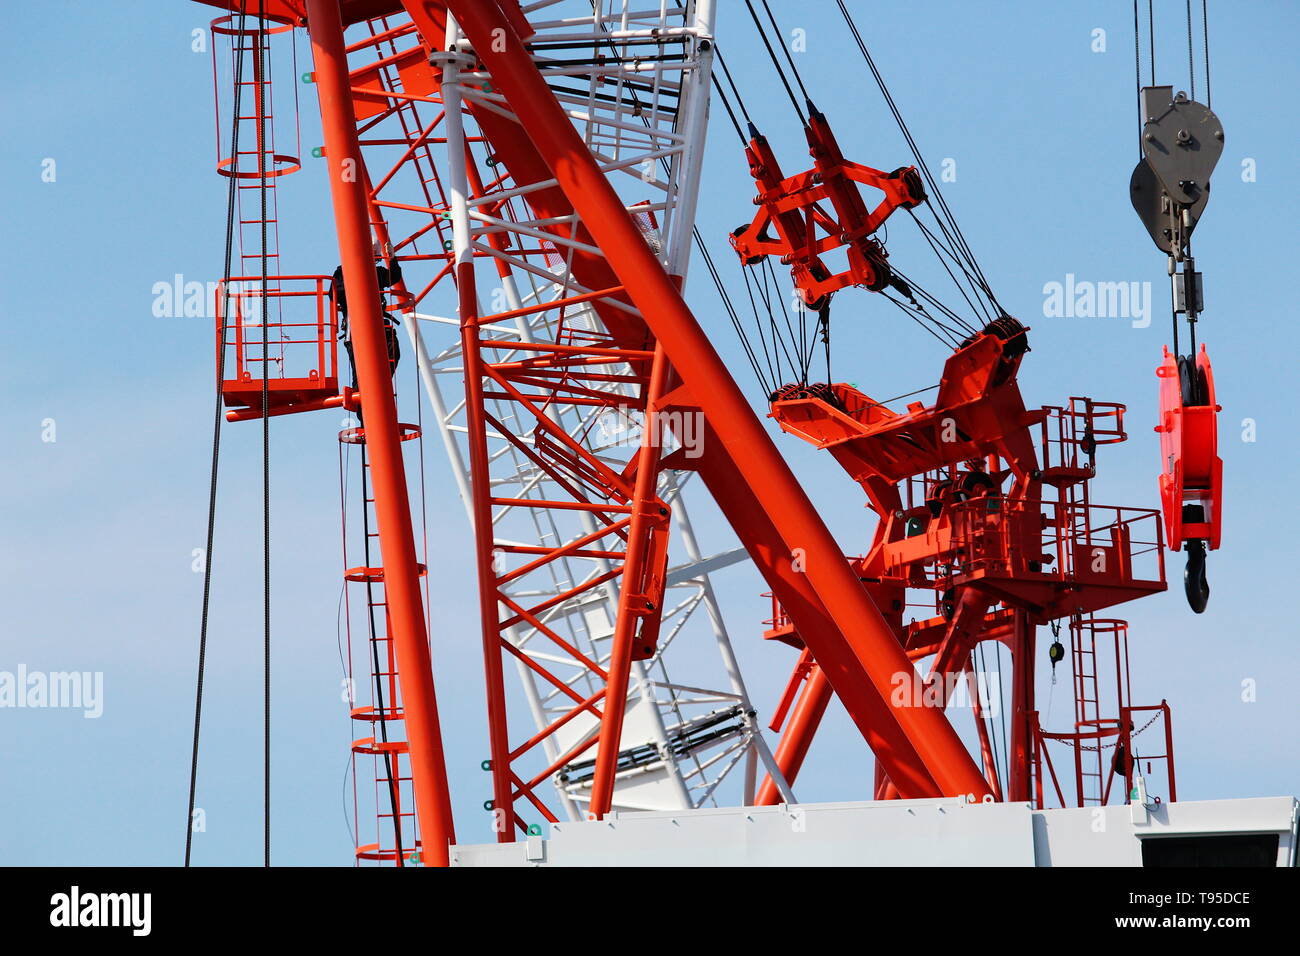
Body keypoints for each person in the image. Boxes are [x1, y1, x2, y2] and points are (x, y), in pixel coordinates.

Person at [332, 241, 404, 399]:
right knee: (361, 373)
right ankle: (364, 408)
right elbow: (335, 293)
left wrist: (392, 259)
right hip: (356, 328)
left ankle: (379, 387)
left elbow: (393, 277)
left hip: (379, 326)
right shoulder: (342, 273)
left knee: (393, 351)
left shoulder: (377, 272)